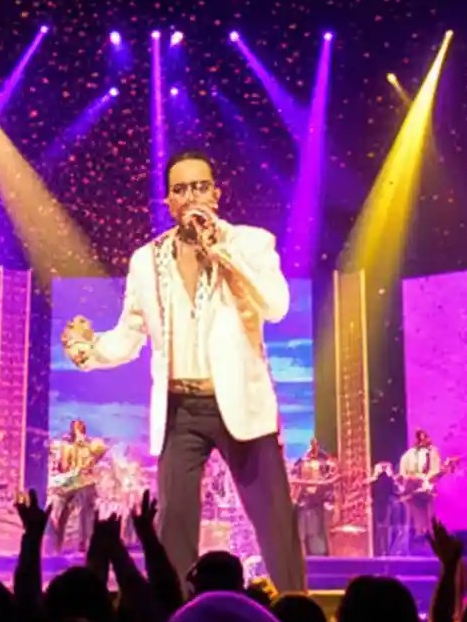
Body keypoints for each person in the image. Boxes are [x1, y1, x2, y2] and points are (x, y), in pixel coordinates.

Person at [60, 149, 305, 593]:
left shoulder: (250, 242)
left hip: (241, 406)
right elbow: (130, 336)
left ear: (216, 193)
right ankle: (176, 620)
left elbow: (277, 305)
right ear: (168, 202)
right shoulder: (145, 261)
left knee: (275, 519)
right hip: (180, 408)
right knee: (173, 522)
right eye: (179, 189)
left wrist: (222, 252)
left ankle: (296, 610)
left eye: (200, 186)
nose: (191, 195)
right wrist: (89, 350)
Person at [46, 419, 108, 553]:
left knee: (85, 512)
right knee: (60, 512)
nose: (77, 432)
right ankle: (58, 545)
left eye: (80, 429)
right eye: (75, 429)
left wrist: (85, 443)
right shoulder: (67, 447)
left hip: (86, 483)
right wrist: (67, 450)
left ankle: (84, 544)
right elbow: (64, 467)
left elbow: (101, 450)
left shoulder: (91, 446)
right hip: (70, 483)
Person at [398, 428, 443, 554]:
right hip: (412, 492)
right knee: (415, 519)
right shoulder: (409, 454)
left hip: (427, 490)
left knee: (429, 519)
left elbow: (435, 470)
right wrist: (411, 479)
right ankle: (416, 542)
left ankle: (429, 543)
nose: (422, 440)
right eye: (420, 437)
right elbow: (403, 473)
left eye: (425, 437)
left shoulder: (433, 452)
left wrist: (425, 479)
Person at [292, 438, 335, 556]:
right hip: (304, 504)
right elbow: (294, 479)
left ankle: (320, 559)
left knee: (317, 535)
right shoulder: (301, 462)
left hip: (317, 505)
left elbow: (329, 482)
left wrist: (328, 499)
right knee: (304, 534)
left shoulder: (324, 462)